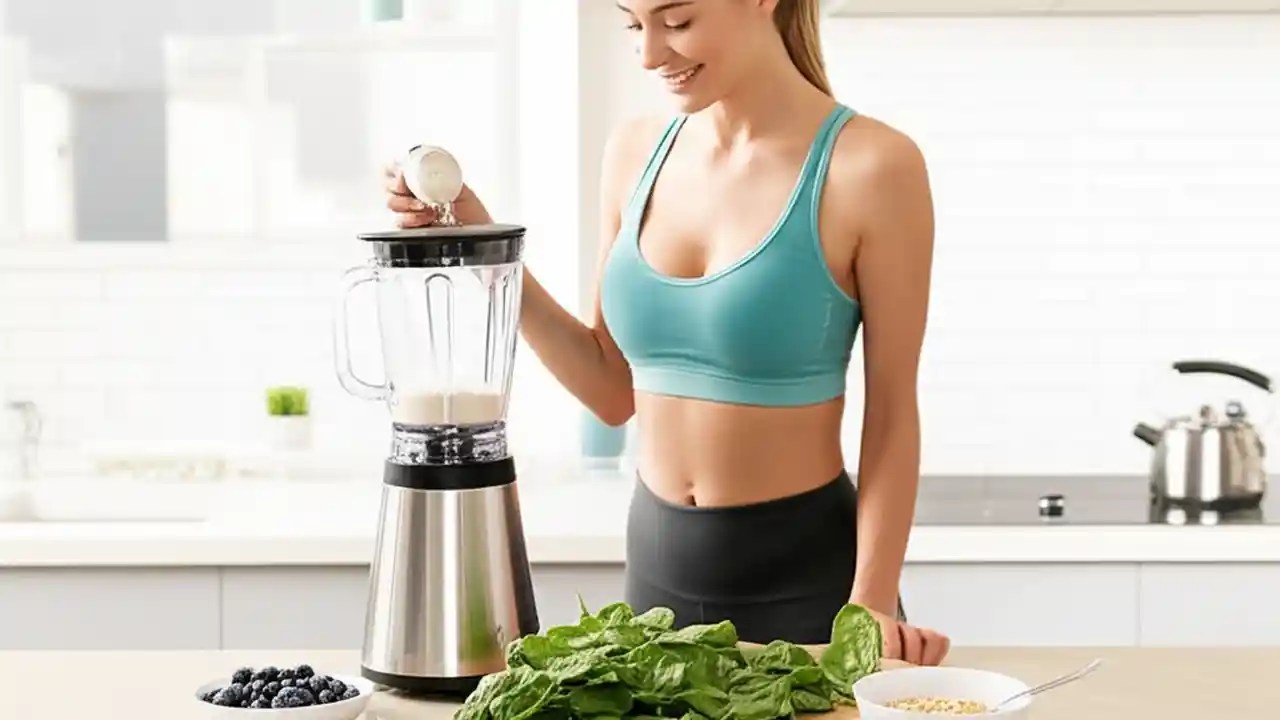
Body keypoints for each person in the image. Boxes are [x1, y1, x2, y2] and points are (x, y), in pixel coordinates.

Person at [383, 0, 949, 667]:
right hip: (656, 584)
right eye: (634, 25)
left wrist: (873, 604)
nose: (650, 55)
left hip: (812, 588)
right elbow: (609, 388)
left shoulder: (874, 167)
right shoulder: (634, 152)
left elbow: (890, 413)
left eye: (676, 22)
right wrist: (486, 247)